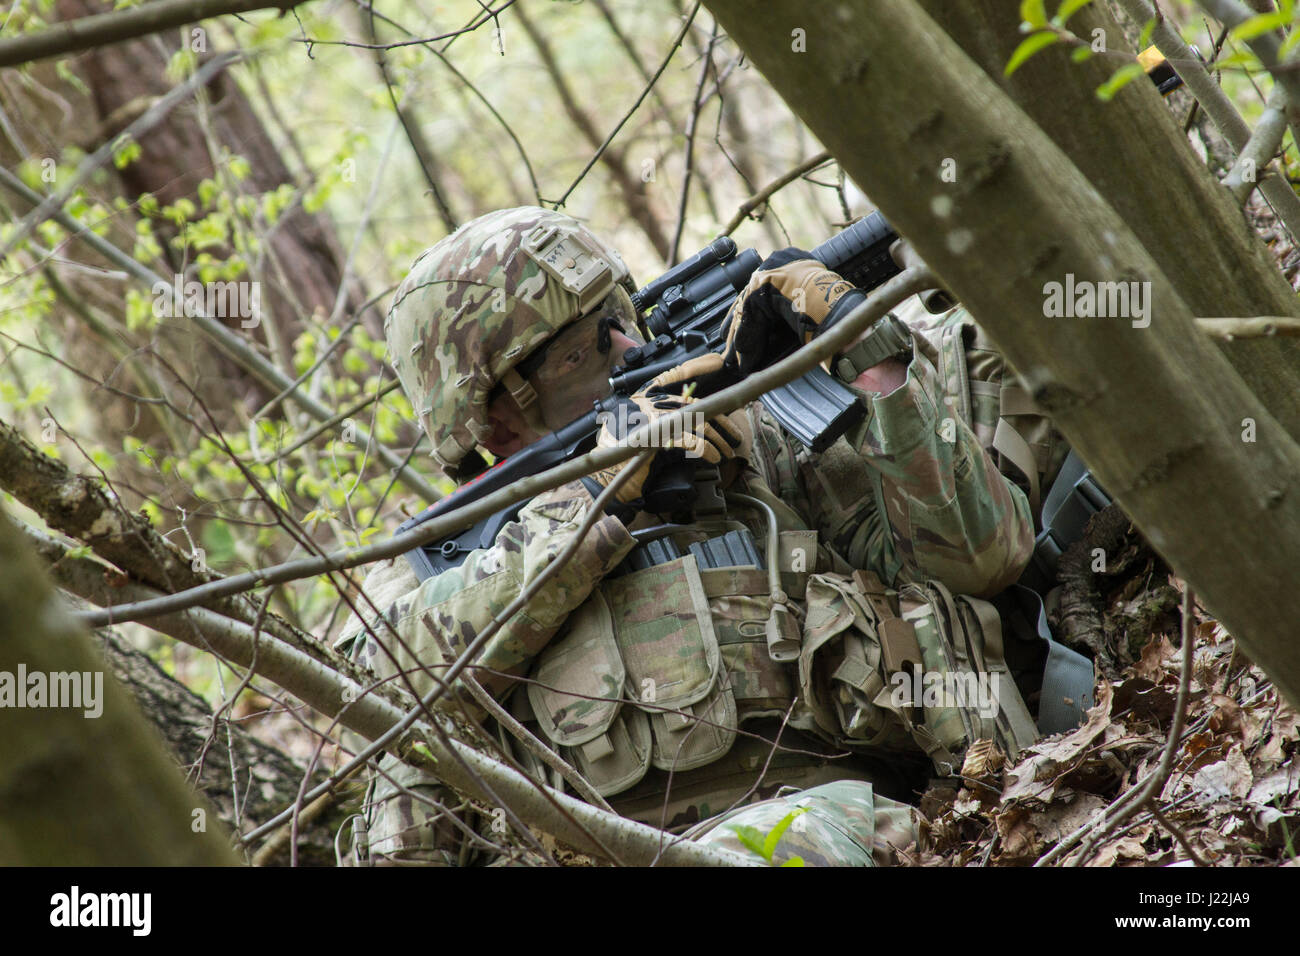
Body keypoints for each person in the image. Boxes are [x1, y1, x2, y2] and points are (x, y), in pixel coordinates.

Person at [335, 206, 1035, 866]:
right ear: (491, 423)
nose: (630, 348)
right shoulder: (432, 569)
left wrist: (870, 361)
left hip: (832, 820)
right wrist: (596, 501)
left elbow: (982, 557)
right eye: (578, 353)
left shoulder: (754, 438)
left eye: (619, 316)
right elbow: (383, 690)